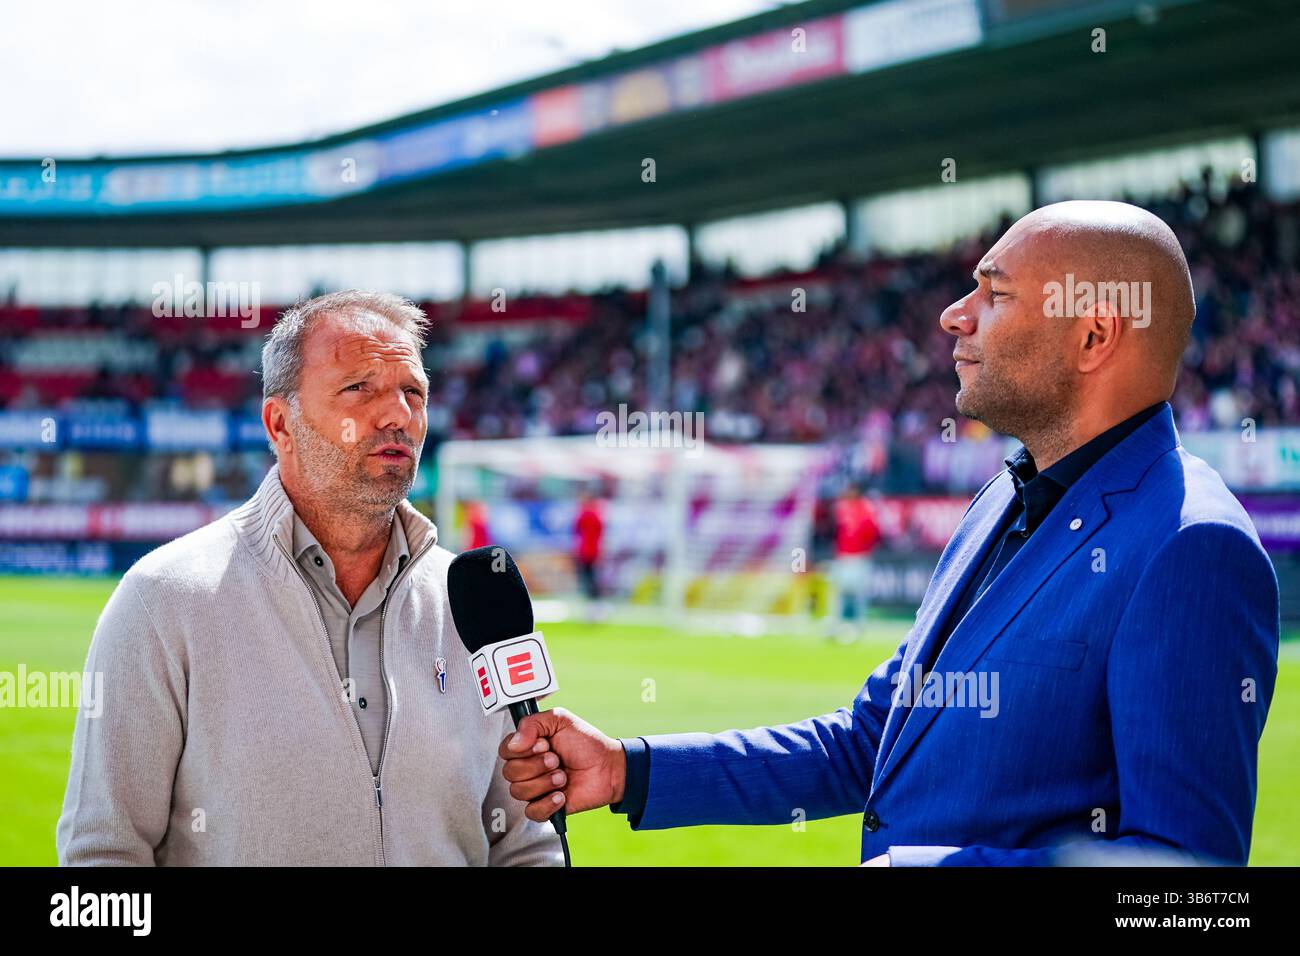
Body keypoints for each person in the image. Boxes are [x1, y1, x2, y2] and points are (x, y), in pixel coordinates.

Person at [495, 201, 1280, 866]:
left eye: (994, 294)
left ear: (1094, 337)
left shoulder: (1191, 548)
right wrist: (629, 772)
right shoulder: (1002, 499)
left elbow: (1184, 886)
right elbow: (869, 741)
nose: (953, 314)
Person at [56, 290, 561, 866]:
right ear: (280, 423)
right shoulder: (164, 600)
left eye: (412, 392)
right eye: (358, 389)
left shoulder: (471, 602)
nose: (397, 413)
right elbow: (104, 856)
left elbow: (525, 844)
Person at [827, 481, 881, 643]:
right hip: (843, 557)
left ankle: (858, 626)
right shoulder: (842, 508)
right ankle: (835, 626)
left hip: (860, 557)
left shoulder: (865, 509)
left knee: (859, 595)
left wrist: (865, 550)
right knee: (838, 594)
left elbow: (874, 533)